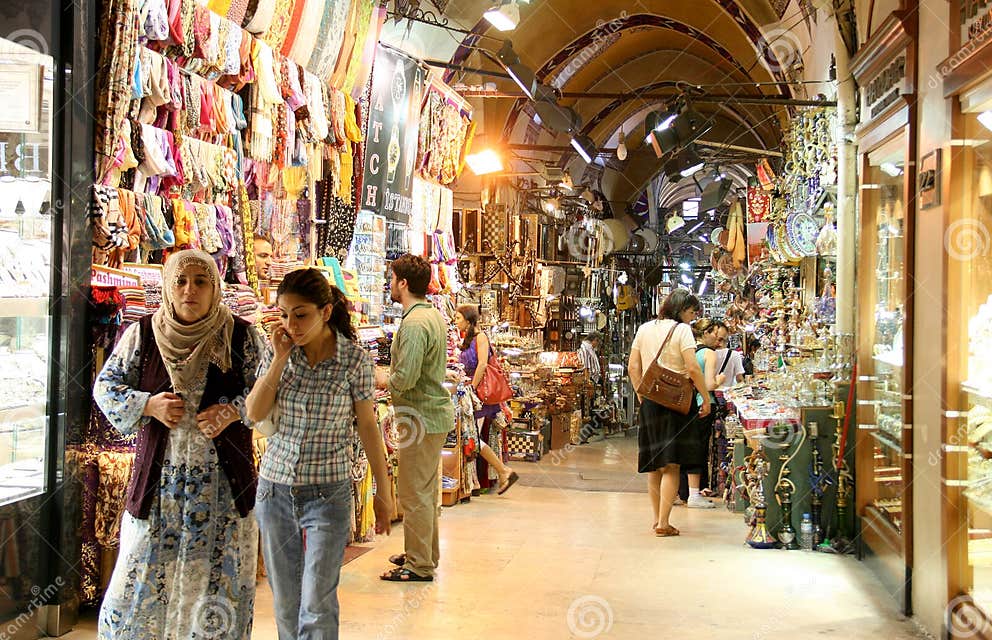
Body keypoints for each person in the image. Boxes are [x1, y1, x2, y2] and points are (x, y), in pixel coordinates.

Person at [93, 249, 264, 638]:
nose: (190, 290)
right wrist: (148, 404)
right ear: (168, 287)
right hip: (159, 491)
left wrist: (235, 410)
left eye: (201, 282)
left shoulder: (240, 335)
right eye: (181, 281)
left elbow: (273, 392)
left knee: (216, 590)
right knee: (134, 588)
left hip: (223, 491)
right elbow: (106, 387)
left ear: (215, 287)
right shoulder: (143, 334)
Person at [245, 268, 392, 639]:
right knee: (286, 602)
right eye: (284, 314)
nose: (291, 324)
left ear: (325, 312)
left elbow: (368, 427)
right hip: (275, 490)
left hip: (329, 493)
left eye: (301, 314)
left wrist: (385, 491)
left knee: (317, 600)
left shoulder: (354, 361)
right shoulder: (279, 353)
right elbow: (253, 413)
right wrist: (278, 360)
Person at [374, 254, 455, 582]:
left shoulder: (413, 324)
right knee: (424, 491)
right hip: (430, 415)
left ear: (403, 283)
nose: (390, 284)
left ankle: (419, 565)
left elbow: (404, 378)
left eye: (393, 279)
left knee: (414, 494)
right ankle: (422, 553)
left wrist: (381, 378)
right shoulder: (431, 316)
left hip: (420, 417)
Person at [627, 289, 711, 538]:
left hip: (651, 401)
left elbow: (633, 366)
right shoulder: (682, 330)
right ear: (681, 309)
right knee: (672, 465)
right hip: (677, 403)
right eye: (691, 311)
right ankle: (664, 523)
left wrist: (641, 394)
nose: (693, 316)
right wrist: (705, 398)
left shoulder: (644, 329)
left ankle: (656, 519)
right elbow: (693, 368)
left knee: (654, 465)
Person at [453, 304, 519, 494]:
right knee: (472, 436)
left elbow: (482, 364)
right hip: (470, 393)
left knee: (472, 435)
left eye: (458, 318)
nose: (455, 321)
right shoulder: (467, 338)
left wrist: (472, 389)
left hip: (479, 395)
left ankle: (503, 470)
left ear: (468, 319)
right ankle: (502, 471)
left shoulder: (480, 337)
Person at [676, 318, 730, 507]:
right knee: (698, 449)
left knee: (686, 447)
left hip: (687, 404)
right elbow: (708, 385)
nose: (717, 338)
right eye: (715, 333)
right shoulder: (709, 354)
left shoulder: (689, 353)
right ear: (705, 333)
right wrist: (720, 379)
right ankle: (694, 494)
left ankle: (683, 492)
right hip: (704, 403)